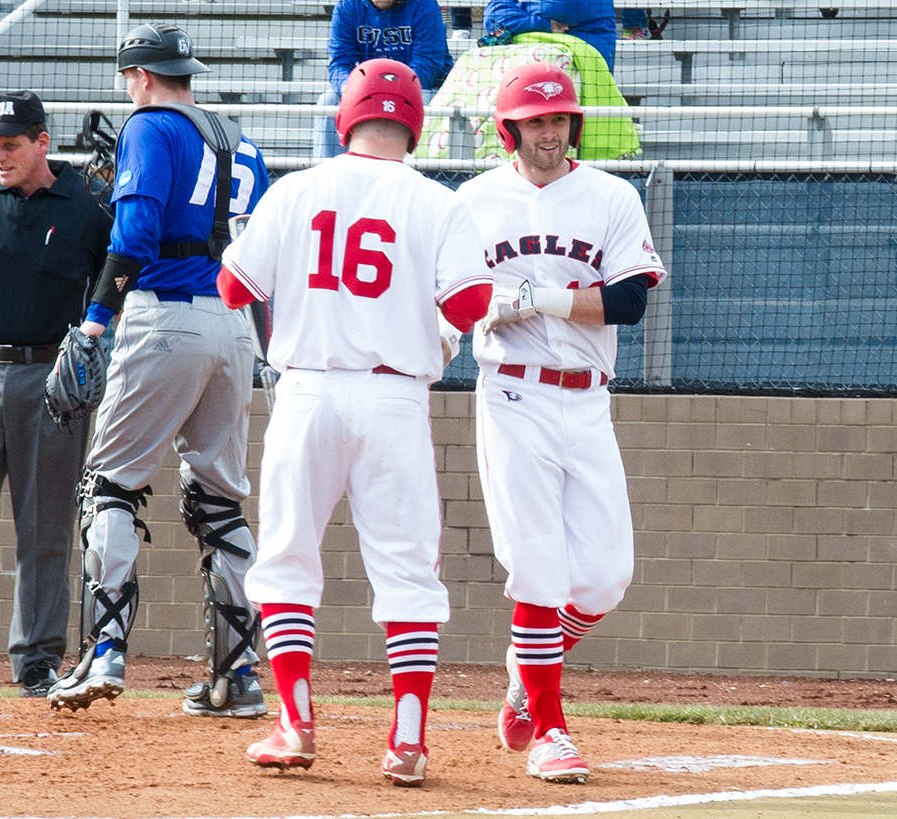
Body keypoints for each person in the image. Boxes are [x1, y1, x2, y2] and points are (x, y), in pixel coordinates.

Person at [218, 58, 491, 785]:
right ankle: (407, 740)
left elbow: (233, 284)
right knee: (407, 570)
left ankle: (295, 721)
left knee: (284, 558)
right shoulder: (440, 202)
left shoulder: (297, 188)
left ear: (348, 114)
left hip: (307, 388)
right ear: (413, 121)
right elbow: (468, 307)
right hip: (395, 396)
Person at [45, 24, 270, 718]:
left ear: (140, 75)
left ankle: (103, 650)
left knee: (108, 483)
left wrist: (92, 325)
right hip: (235, 326)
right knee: (218, 501)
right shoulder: (239, 137)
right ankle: (239, 679)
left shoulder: (150, 125)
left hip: (164, 314)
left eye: (128, 80)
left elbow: (134, 235)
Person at [456, 61, 666, 783]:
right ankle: (549, 726)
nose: (549, 132)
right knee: (538, 563)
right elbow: (450, 295)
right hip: (512, 393)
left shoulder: (610, 195)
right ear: (508, 128)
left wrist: (541, 297)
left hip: (587, 395)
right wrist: (484, 303)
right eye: (535, 121)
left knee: (606, 576)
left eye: (559, 120)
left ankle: (526, 661)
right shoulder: (476, 198)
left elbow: (632, 301)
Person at [0, 91, 111, 698]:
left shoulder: (86, 202)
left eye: (13, 145)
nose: (1, 156)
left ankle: (36, 662)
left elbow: (125, 270)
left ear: (42, 142)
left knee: (43, 527)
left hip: (53, 378)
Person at [314, 0, 454, 158]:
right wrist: (350, 89)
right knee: (329, 100)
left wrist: (392, 92)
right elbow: (339, 64)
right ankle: (326, 169)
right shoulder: (348, 6)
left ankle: (417, 174)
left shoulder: (424, 4)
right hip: (368, 87)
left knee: (425, 101)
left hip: (419, 87)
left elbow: (427, 64)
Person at [483, 0, 618, 70]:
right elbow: (493, 17)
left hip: (581, 69)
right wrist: (544, 24)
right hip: (528, 68)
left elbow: (558, 8)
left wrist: (520, 10)